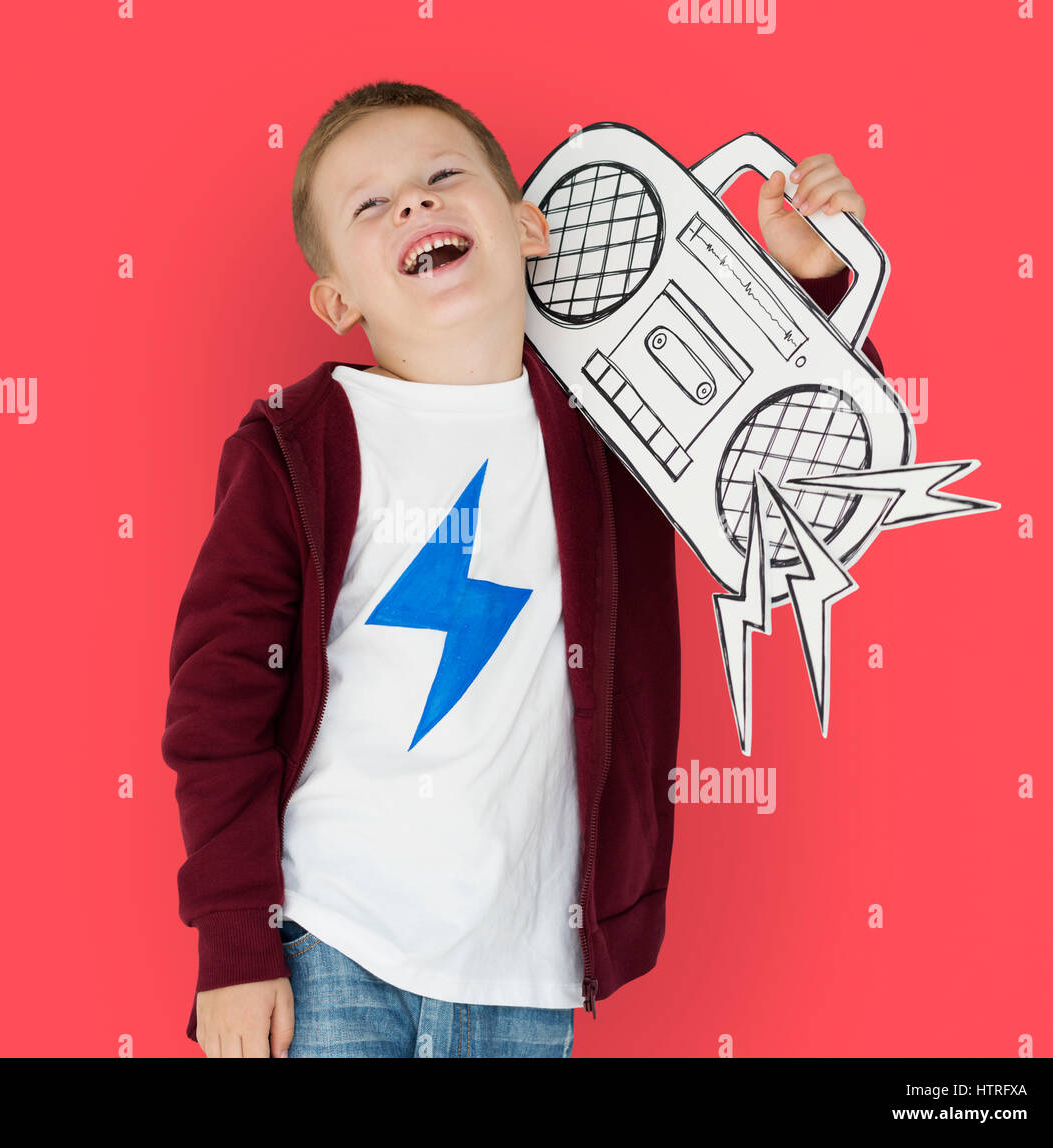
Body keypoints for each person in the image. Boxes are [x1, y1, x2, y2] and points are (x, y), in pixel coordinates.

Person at [161, 80, 882, 1058]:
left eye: (443, 176)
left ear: (527, 226)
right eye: (371, 204)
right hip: (328, 939)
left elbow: (802, 483)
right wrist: (234, 940)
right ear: (337, 299)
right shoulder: (300, 446)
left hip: (523, 972)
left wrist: (807, 287)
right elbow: (218, 699)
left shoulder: (621, 435)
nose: (415, 204)